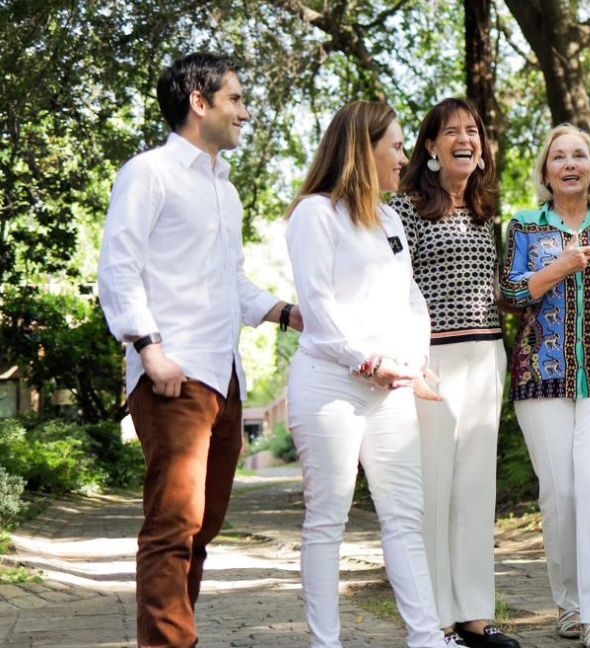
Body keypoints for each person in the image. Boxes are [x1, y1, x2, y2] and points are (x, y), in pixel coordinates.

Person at [97, 52, 301, 647]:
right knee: (173, 525)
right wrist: (149, 348)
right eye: (235, 98)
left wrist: (288, 313)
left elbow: (231, 282)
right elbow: (119, 267)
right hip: (174, 372)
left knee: (203, 526)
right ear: (199, 101)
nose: (244, 110)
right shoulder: (149, 172)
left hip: (225, 374)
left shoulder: (225, 191)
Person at [284, 100, 445, 648]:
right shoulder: (314, 214)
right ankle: (324, 643)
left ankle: (426, 637)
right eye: (396, 146)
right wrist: (368, 362)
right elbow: (319, 308)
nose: (405, 158)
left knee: (405, 518)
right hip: (331, 386)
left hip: (392, 390)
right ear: (363, 147)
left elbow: (412, 301)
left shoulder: (392, 218)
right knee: (327, 520)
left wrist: (413, 363)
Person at [500, 124, 590, 648]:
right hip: (540, 376)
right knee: (560, 494)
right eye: (558, 157)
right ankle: (566, 606)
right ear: (545, 171)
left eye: (579, 156)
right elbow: (511, 293)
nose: (569, 164)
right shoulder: (523, 227)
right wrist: (561, 266)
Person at [388, 98, 519, 648]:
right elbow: (395, 290)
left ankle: (474, 616)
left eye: (474, 131)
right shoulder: (406, 208)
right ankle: (436, 621)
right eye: (452, 132)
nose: (466, 139)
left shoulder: (489, 212)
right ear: (430, 148)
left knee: (474, 490)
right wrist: (407, 363)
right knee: (434, 491)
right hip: (432, 363)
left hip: (486, 357)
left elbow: (504, 292)